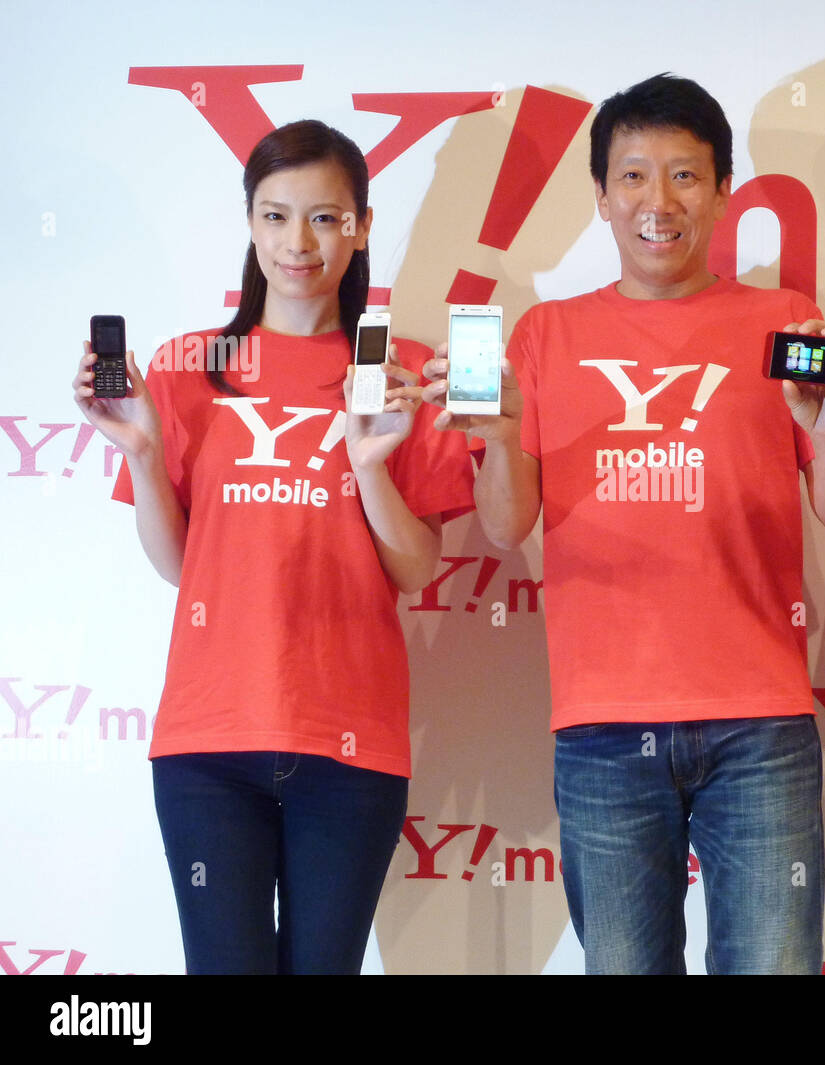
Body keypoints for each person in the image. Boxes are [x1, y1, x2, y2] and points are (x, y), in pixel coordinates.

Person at [423, 73, 825, 974]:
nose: (657, 202)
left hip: (760, 722)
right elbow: (508, 528)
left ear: (721, 193)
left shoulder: (785, 324)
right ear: (600, 195)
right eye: (632, 176)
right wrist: (507, 435)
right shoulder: (545, 337)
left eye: (683, 176)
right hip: (603, 724)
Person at [72, 119, 475, 974]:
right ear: (250, 224)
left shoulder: (401, 374)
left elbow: (414, 568)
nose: (300, 243)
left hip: (350, 741)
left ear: (361, 225)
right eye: (277, 216)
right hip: (208, 745)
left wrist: (369, 467)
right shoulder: (189, 368)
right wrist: (144, 451)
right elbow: (185, 569)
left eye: (326, 218)